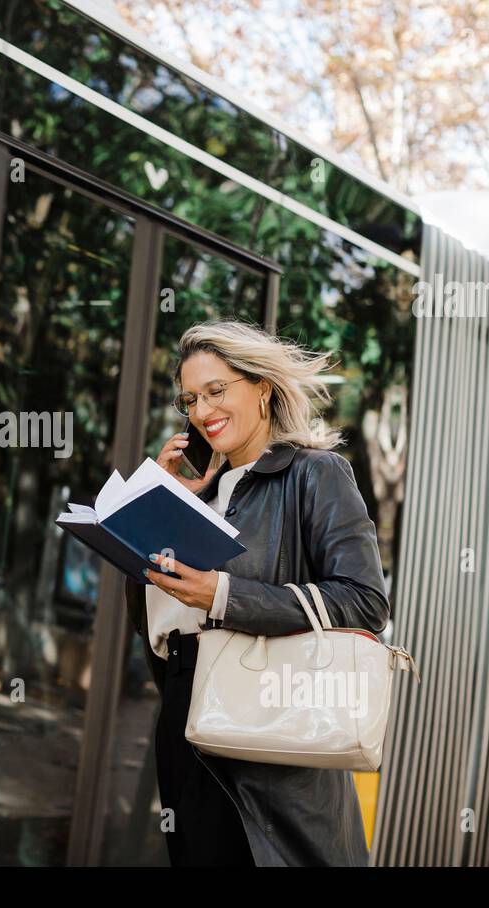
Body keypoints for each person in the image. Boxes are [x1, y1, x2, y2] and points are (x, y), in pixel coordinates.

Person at [124, 320, 390, 866]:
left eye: (216, 391)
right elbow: (156, 626)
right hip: (187, 716)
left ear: (263, 387)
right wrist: (154, 513)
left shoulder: (315, 474)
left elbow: (365, 600)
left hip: (270, 722)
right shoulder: (196, 496)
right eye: (190, 400)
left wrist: (223, 595)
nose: (200, 411)